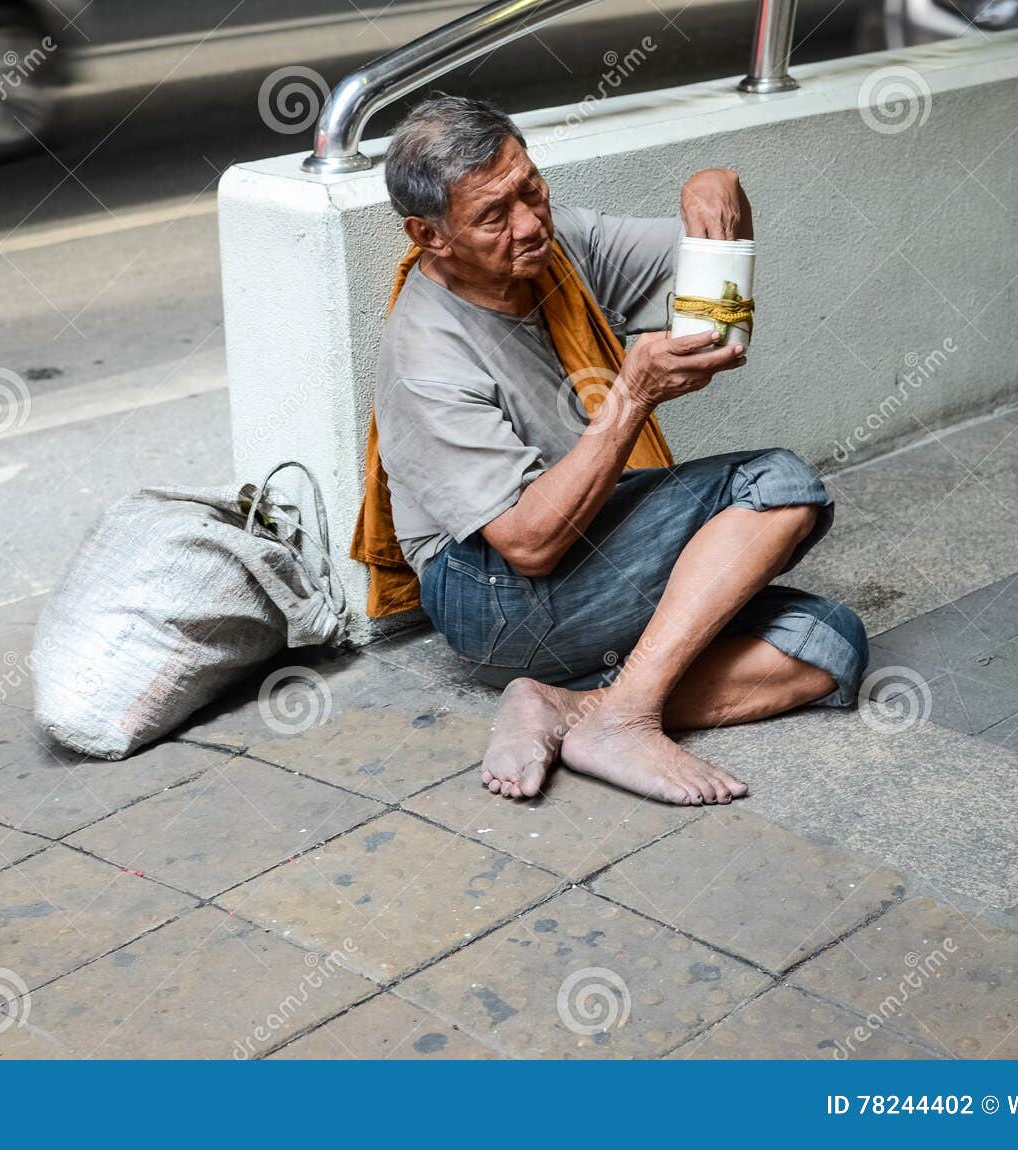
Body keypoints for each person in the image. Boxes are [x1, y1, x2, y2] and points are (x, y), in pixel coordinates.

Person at [355, 94, 867, 806]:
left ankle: (569, 709)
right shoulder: (426, 354)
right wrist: (631, 395)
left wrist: (719, 188)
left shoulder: (557, 244)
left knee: (826, 641)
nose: (530, 223)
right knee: (777, 483)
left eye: (529, 187)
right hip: (491, 594)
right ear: (430, 235)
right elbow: (527, 544)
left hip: (587, 546)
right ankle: (627, 717)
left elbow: (711, 280)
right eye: (493, 215)